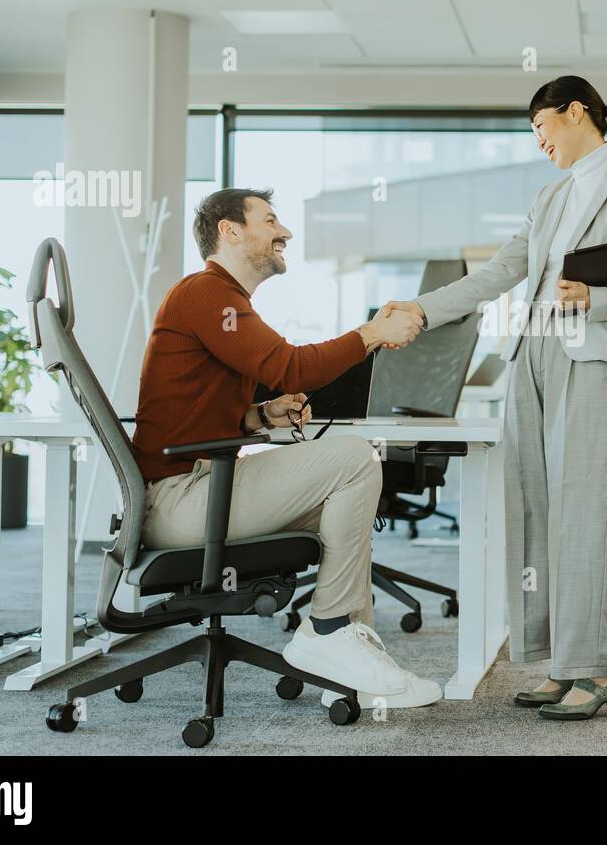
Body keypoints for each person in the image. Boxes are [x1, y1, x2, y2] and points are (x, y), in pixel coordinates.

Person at [382, 76, 607, 721]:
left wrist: (597, 300)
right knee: (535, 510)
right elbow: (496, 274)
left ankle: (596, 668)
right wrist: (423, 310)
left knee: (581, 510)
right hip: (531, 357)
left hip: (587, 354)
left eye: (541, 125)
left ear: (578, 113)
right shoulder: (550, 196)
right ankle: (561, 662)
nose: (538, 140)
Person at [131, 187, 442, 708]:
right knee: (352, 457)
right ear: (229, 232)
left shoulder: (224, 303)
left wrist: (260, 414)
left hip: (195, 490)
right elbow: (291, 367)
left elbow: (203, 413)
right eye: (270, 220)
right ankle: (326, 631)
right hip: (179, 499)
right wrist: (371, 332)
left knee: (344, 503)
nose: (286, 233)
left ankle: (349, 652)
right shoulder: (206, 294)